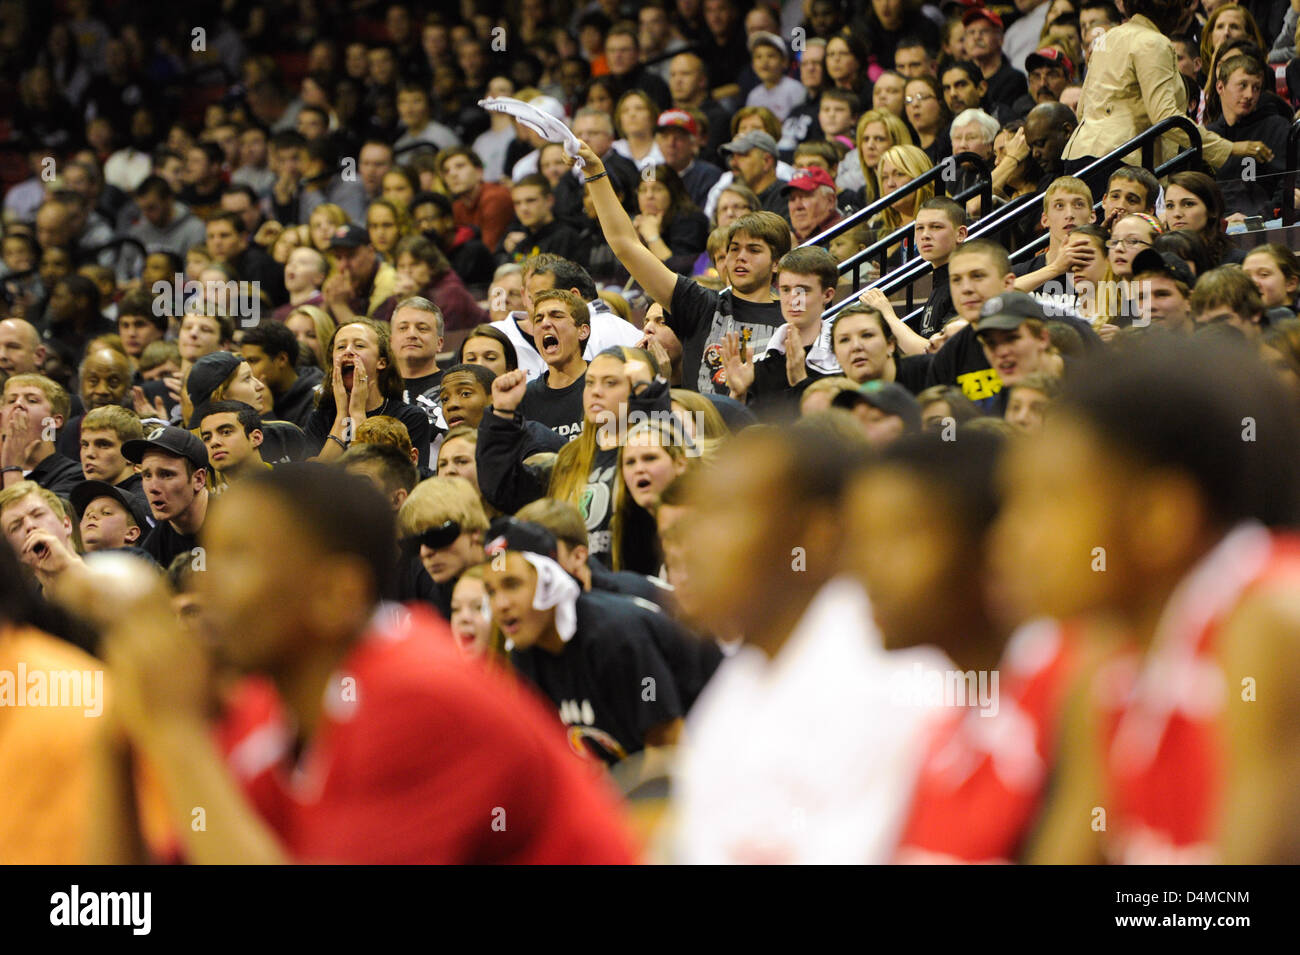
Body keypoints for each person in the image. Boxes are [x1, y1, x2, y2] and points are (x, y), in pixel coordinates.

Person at [75, 466, 638, 863]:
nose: (203, 581)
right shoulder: (270, 704)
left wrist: (176, 734)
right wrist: (115, 739)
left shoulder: (419, 698)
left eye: (238, 558)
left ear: (336, 594)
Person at [998, 337, 1300, 863]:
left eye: (1048, 499)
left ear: (1159, 517)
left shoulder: (1270, 624)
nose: (1011, 538)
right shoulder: (1106, 656)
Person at [670, 424, 949, 863]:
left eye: (724, 513)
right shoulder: (744, 677)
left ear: (815, 534)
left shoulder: (890, 679)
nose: (692, 545)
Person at [481, 517, 689, 766]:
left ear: (550, 582)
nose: (500, 605)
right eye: (491, 592)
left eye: (512, 585)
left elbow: (666, 746)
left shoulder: (617, 635)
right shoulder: (526, 652)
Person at [1062, 0, 1271, 191]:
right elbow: (1165, 117)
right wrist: (1229, 148)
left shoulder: (1107, 38)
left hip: (1079, 157)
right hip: (1120, 164)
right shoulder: (1153, 42)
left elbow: (1083, 109)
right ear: (1172, 11)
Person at [720, 246, 842, 420]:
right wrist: (738, 395)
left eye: (803, 290)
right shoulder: (758, 364)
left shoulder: (843, 356)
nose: (793, 299)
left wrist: (800, 381)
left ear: (828, 295)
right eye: (785, 289)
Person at [304, 318, 432, 468]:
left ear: (381, 362)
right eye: (340, 347)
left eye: (359, 345)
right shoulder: (320, 418)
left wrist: (358, 413)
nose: (348, 351)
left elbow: (372, 475)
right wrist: (342, 416)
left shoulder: (409, 417)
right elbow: (314, 479)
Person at [122, 424, 209, 568]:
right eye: (147, 475)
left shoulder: (239, 527)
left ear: (198, 479)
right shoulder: (153, 549)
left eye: (166, 474)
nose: (153, 488)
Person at [0, 374, 83, 496]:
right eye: (11, 400)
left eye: (32, 400)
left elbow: (24, 514)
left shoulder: (75, 475)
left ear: (54, 421)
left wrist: (12, 468)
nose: (18, 404)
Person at [238, 323, 324, 430]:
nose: (246, 369)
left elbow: (304, 446)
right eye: (244, 361)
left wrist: (266, 413)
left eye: (253, 361)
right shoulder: (250, 393)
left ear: (282, 359)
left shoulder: (318, 398)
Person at [198, 400, 271, 489]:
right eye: (207, 438)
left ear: (256, 438)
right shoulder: (215, 502)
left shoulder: (290, 480)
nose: (213, 442)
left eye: (226, 432)